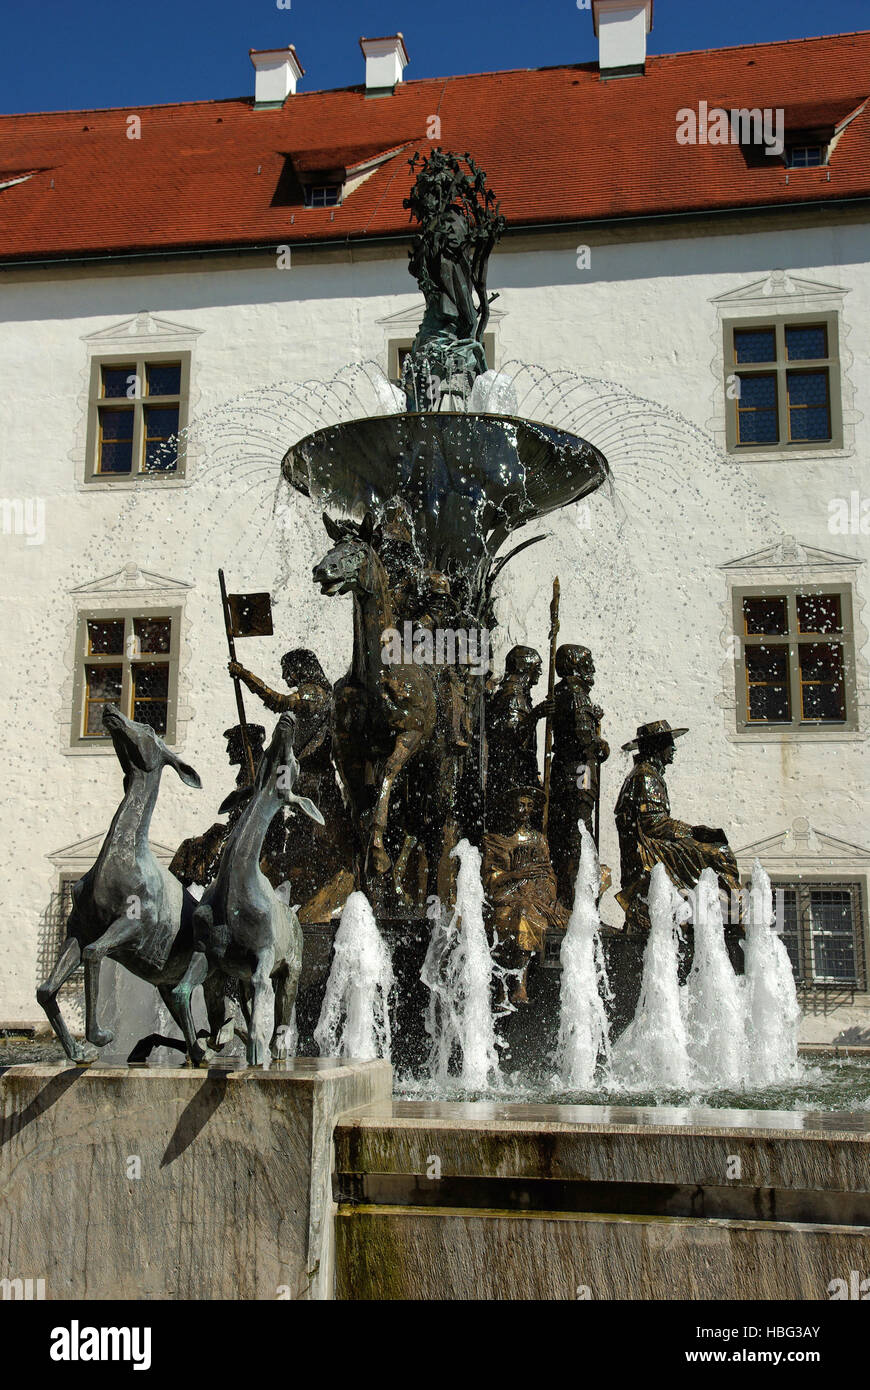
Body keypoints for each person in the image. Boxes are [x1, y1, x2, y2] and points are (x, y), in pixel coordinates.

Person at [227, 649, 352, 913]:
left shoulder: (313, 693)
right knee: (302, 841)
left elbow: (278, 702)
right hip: (309, 780)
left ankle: (319, 896)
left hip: (313, 783)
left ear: (302, 668)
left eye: (288, 669)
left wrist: (245, 675)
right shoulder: (320, 694)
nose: (285, 675)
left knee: (315, 841)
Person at [614, 720, 740, 933]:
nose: (673, 749)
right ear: (657, 747)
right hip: (650, 850)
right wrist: (694, 832)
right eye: (669, 743)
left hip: (654, 845)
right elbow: (653, 825)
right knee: (721, 853)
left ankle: (721, 914)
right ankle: (734, 919)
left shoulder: (648, 773)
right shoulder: (645, 775)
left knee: (716, 851)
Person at [483, 786, 568, 1005]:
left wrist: (542, 890)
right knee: (509, 916)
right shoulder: (494, 839)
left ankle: (520, 981)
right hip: (505, 894)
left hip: (533, 897)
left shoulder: (538, 840)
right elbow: (490, 877)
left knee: (528, 914)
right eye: (521, 805)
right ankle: (502, 983)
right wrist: (515, 874)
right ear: (510, 807)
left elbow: (548, 875)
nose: (525, 810)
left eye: (530, 806)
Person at [548, 645, 610, 905]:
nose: (592, 669)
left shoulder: (560, 692)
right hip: (580, 773)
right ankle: (577, 898)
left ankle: (565, 892)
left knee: (564, 833)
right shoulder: (578, 694)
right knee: (580, 833)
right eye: (588, 663)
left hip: (563, 770)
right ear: (575, 665)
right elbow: (585, 741)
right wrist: (601, 743)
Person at [485, 646, 552, 824]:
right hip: (510, 777)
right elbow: (509, 737)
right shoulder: (513, 697)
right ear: (524, 667)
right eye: (536, 667)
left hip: (516, 775)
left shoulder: (519, 696)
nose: (540, 671)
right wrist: (535, 715)